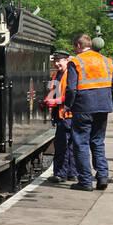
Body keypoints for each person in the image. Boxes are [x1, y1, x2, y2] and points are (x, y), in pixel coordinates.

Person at [63, 32, 113, 191]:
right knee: (98, 141)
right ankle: (102, 177)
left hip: (83, 107)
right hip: (103, 106)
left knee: (81, 143)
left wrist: (67, 105)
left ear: (78, 46)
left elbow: (71, 88)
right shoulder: (107, 61)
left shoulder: (76, 61)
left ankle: (85, 181)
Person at [41, 52, 77, 183]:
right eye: (55, 61)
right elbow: (53, 92)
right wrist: (46, 101)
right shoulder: (57, 74)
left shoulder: (70, 74)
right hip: (61, 114)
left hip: (67, 114)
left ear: (66, 60)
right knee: (69, 144)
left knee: (63, 144)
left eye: (59, 61)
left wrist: (56, 102)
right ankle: (72, 173)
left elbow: (72, 94)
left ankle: (61, 173)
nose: (56, 64)